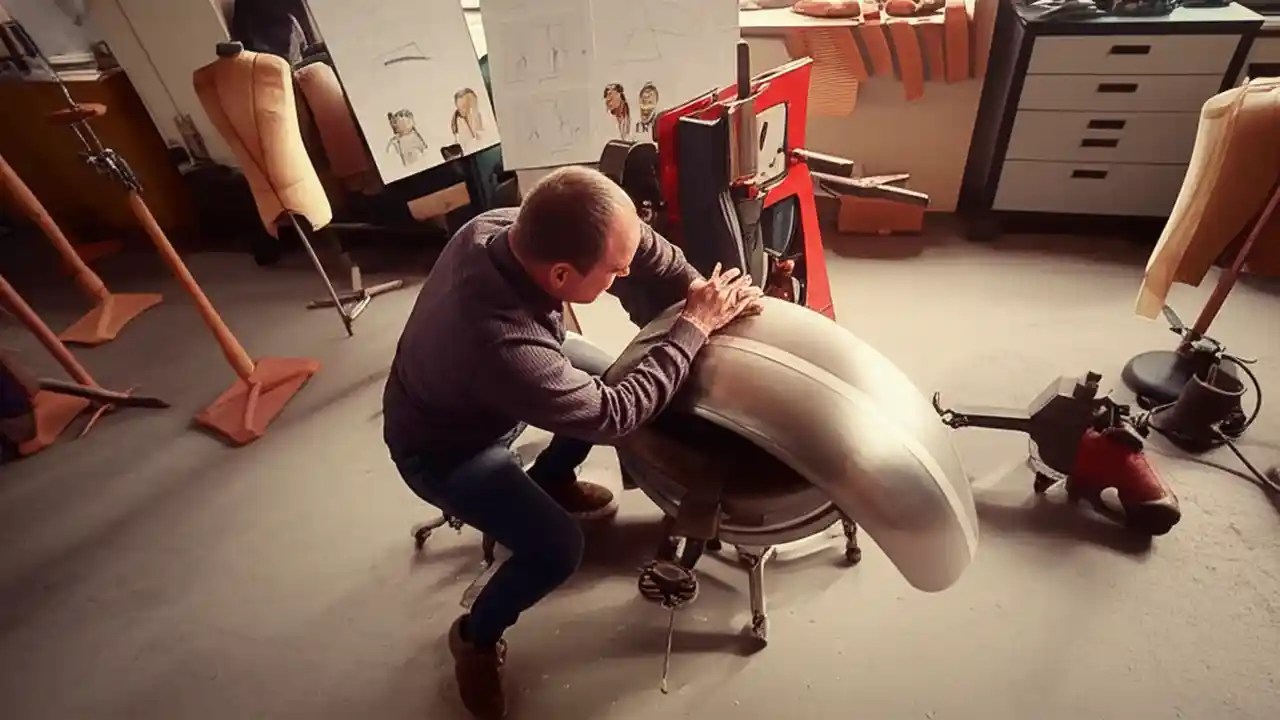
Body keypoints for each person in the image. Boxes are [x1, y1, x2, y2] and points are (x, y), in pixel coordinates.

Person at [382, 165, 762, 718]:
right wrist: (693, 328)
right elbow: (615, 416)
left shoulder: (503, 227)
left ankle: (551, 477)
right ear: (561, 276)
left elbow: (645, 248)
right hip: (444, 447)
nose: (626, 275)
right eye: (614, 272)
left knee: (612, 372)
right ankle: (476, 637)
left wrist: (698, 291)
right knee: (558, 547)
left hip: (475, 390)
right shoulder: (502, 345)